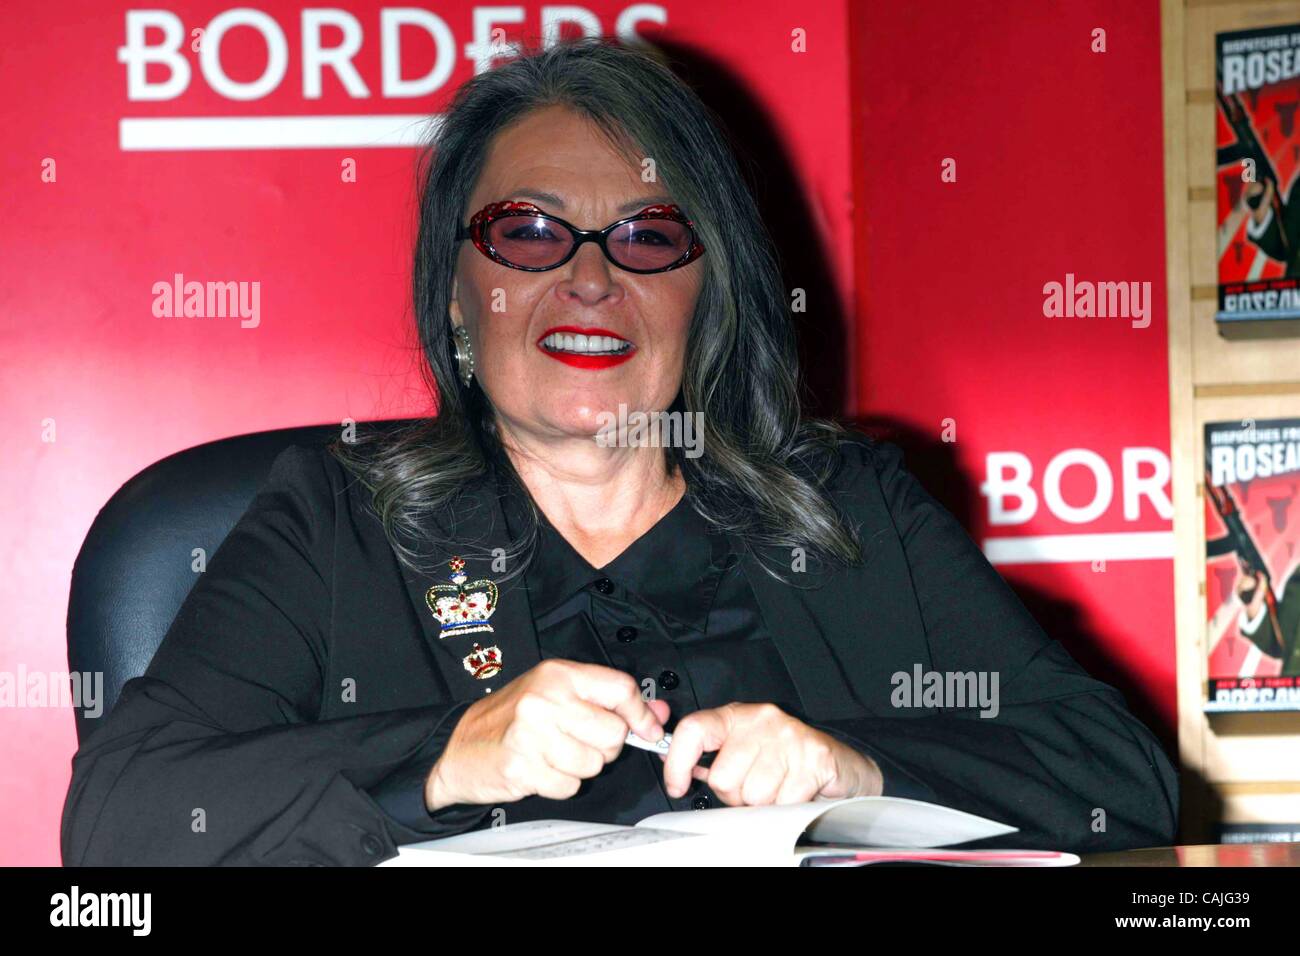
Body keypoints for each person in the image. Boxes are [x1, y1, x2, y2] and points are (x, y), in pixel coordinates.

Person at [61, 37, 1178, 866]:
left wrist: (859, 768)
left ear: (710, 290)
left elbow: (1120, 780)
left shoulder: (848, 512)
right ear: (459, 294)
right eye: (529, 231)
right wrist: (448, 757)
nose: (590, 279)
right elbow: (119, 819)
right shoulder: (335, 523)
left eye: (648, 235)